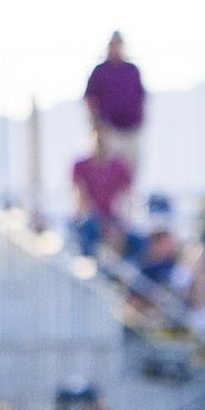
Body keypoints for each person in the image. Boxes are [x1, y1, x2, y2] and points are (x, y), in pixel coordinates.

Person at [84, 32, 146, 167]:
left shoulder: (132, 70)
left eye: (118, 45)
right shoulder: (100, 71)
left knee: (130, 167)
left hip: (130, 130)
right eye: (113, 45)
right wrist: (97, 123)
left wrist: (139, 119)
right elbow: (90, 98)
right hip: (108, 130)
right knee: (110, 167)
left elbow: (140, 97)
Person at [70, 128, 134, 253]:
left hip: (112, 218)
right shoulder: (80, 165)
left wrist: (121, 222)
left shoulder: (119, 166)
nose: (100, 144)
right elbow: (80, 196)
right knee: (86, 230)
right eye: (98, 140)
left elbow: (126, 196)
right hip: (89, 219)